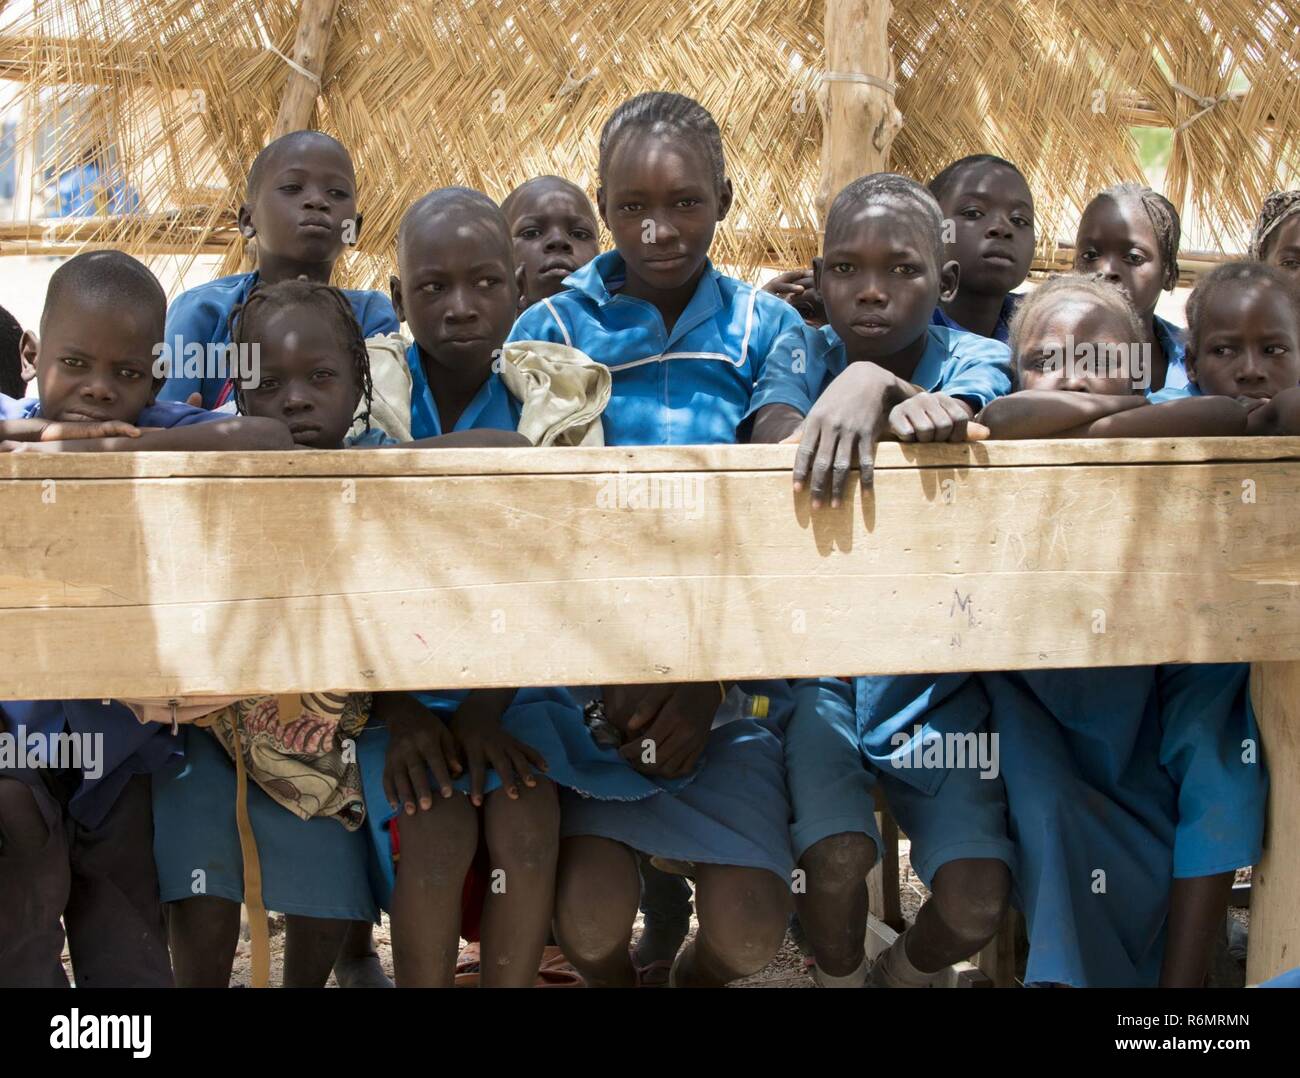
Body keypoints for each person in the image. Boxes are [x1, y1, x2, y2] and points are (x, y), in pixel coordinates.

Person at [508, 92, 803, 987]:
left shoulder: (765, 326)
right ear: (604, 207)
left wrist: (704, 675)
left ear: (726, 195)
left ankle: (690, 979)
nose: (660, 227)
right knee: (589, 921)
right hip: (592, 679)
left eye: (686, 202)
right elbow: (539, 527)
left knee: (751, 935)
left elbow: (779, 492)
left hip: (728, 681)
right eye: (632, 206)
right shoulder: (550, 330)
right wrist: (618, 673)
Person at [157, 130, 398, 410]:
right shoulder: (202, 312)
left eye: (337, 192)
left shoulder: (370, 316)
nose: (317, 201)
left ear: (354, 229)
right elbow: (167, 422)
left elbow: (368, 418)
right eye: (292, 188)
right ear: (248, 220)